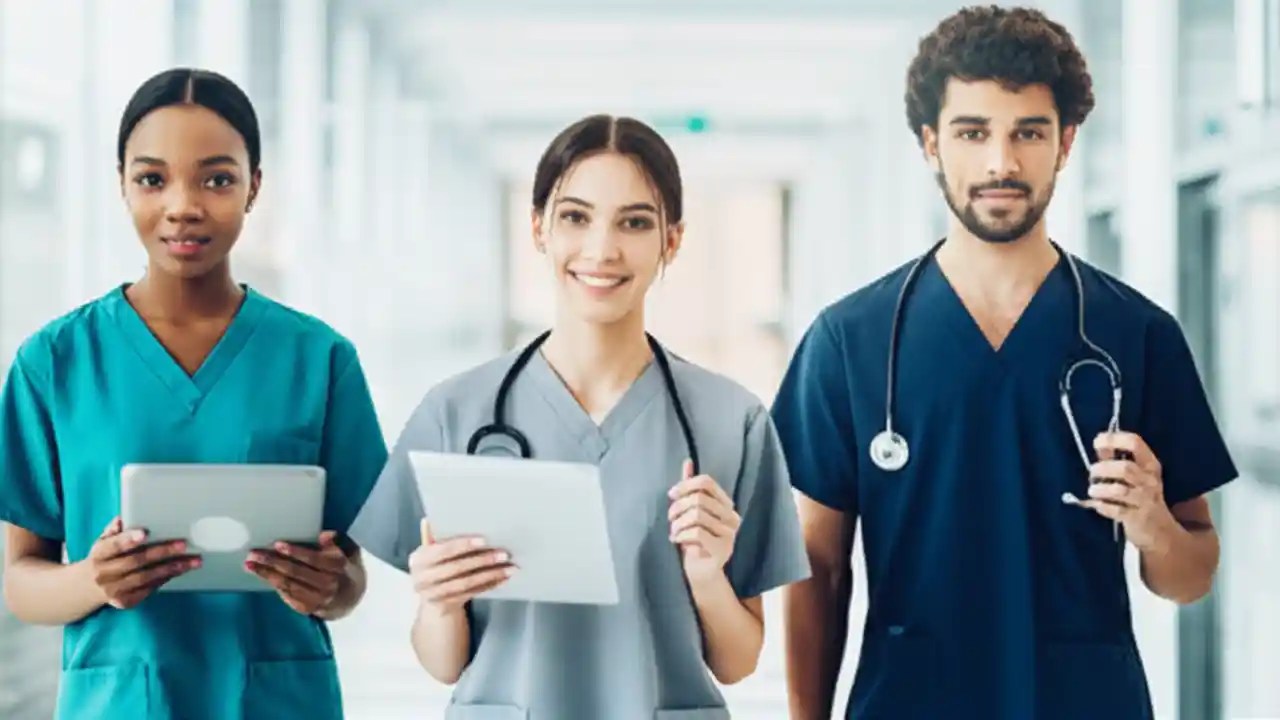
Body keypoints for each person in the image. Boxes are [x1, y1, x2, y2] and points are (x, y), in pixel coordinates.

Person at [775, 7, 1237, 720]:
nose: (1001, 162)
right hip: (909, 702)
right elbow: (819, 567)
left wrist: (1153, 527)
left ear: (1066, 142)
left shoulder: (1138, 334)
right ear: (931, 143)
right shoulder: (851, 340)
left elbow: (1190, 577)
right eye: (972, 132)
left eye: (1028, 132)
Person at [349, 114, 811, 719]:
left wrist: (706, 574)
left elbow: (737, 660)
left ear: (672, 239)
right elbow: (443, 664)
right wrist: (438, 603)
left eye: (635, 222)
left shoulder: (732, 420)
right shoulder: (455, 412)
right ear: (539, 227)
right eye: (575, 216)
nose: (602, 249)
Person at [0, 68, 388, 720]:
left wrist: (326, 587)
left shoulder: (319, 359)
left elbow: (349, 580)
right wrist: (93, 578)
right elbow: (20, 581)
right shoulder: (55, 362)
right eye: (153, 178)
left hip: (277, 700)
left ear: (253, 187)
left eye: (217, 178)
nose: (183, 205)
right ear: (121, 184)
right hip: (119, 701)